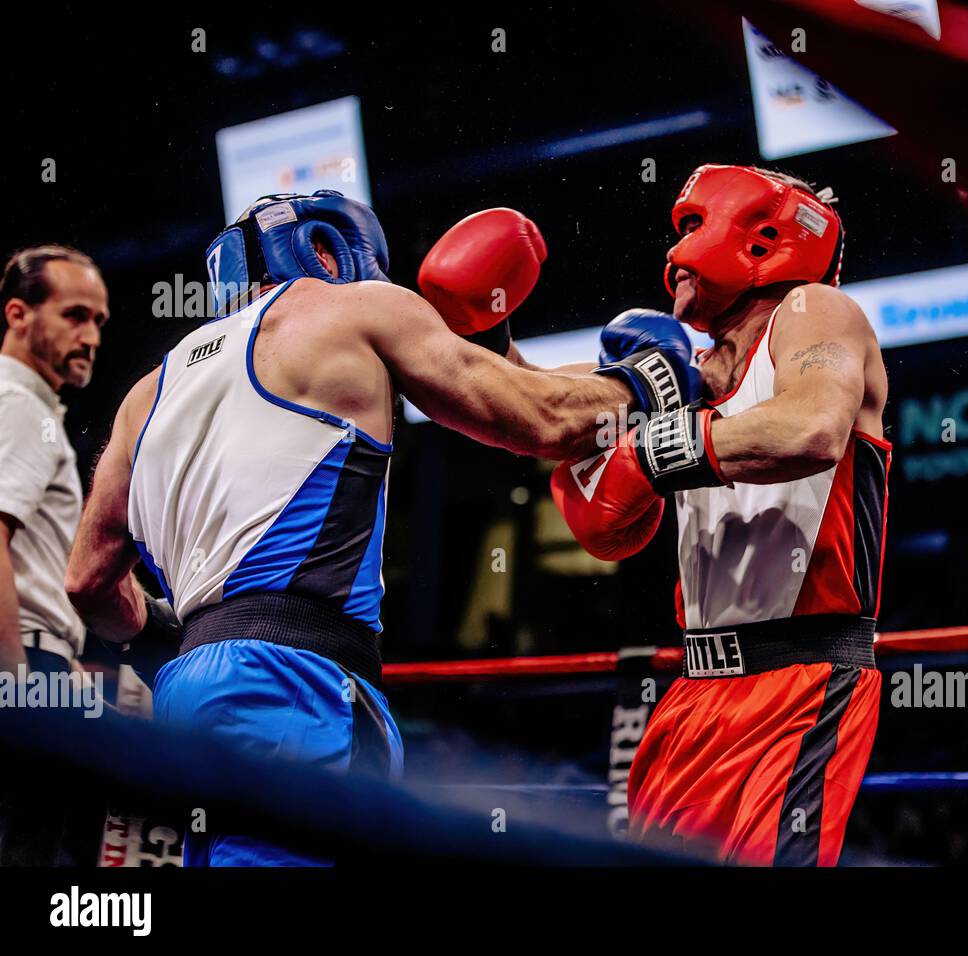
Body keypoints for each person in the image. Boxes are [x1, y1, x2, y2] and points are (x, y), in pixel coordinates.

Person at [64, 191, 698, 866]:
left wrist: (177, 636)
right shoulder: (353, 309)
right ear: (333, 250)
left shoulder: (149, 392)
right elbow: (541, 419)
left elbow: (88, 582)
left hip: (187, 695)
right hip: (299, 684)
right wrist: (647, 382)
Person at [552, 165, 890, 865]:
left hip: (798, 684)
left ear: (764, 237)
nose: (674, 255)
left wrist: (649, 453)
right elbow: (545, 409)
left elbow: (813, 427)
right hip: (692, 693)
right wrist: (482, 340)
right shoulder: (686, 369)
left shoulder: (815, 313)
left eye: (691, 226)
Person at [0, 244, 110, 865]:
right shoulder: (18, 407)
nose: (90, 335)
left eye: (98, 320)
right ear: (19, 314)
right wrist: (14, 687)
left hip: (45, 664)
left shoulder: (28, 409)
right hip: (27, 667)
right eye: (73, 315)